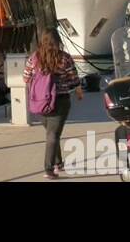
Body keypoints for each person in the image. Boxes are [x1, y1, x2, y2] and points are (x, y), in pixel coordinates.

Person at [22, 28, 84, 179]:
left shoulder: (34, 58)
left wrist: (39, 84)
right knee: (53, 135)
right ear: (58, 41)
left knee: (51, 134)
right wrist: (77, 91)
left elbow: (25, 77)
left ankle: (58, 162)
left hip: (39, 103)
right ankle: (49, 169)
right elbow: (74, 79)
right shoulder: (65, 58)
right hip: (60, 101)